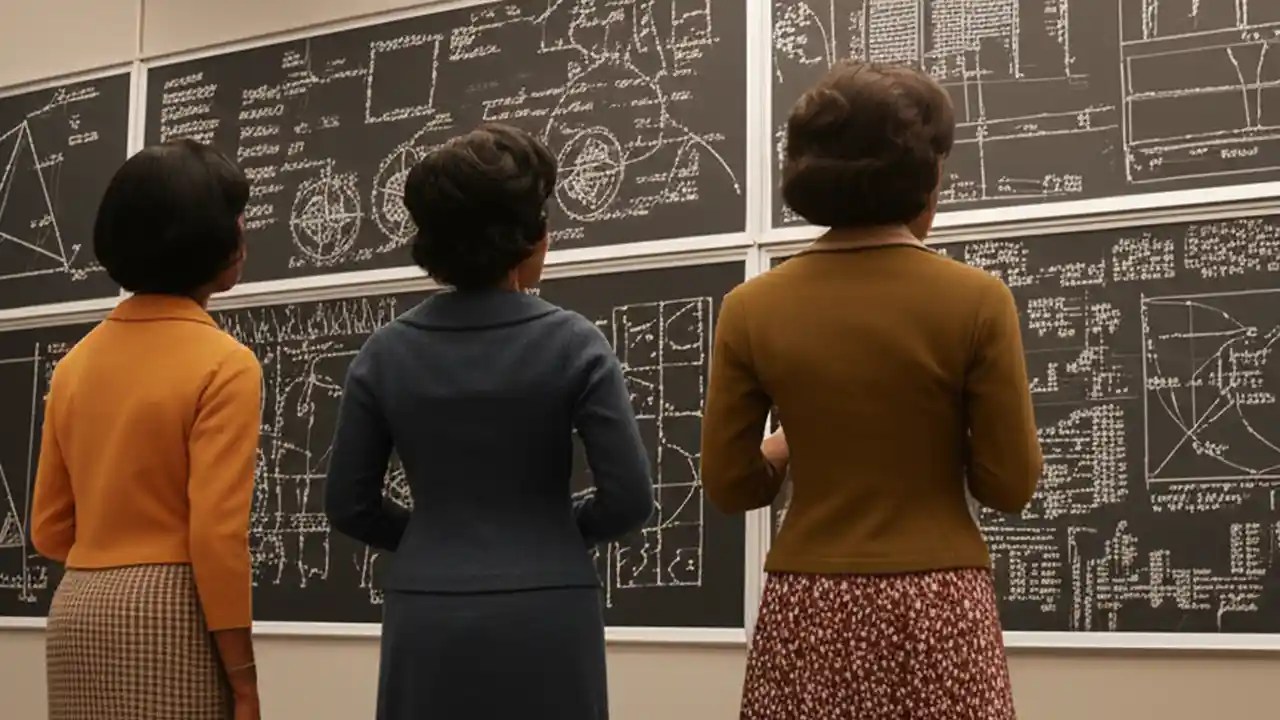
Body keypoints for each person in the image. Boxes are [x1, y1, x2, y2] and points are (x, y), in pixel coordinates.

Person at [701, 60, 1043, 719]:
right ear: (923, 178)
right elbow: (1010, 484)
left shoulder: (750, 307)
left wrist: (787, 442)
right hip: (939, 607)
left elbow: (730, 484)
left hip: (808, 607)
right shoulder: (978, 300)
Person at [324, 123, 654, 720]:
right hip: (550, 604)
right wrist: (554, 531)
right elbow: (629, 499)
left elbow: (349, 504)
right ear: (529, 237)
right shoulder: (576, 343)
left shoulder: (384, 353)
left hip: (426, 603)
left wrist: (433, 537)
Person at [30, 139, 262, 720]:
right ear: (212, 240)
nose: (243, 233)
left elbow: (48, 528)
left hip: (77, 610)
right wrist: (243, 680)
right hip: (173, 611)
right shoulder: (226, 364)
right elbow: (216, 536)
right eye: (236, 218)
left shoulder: (74, 365)